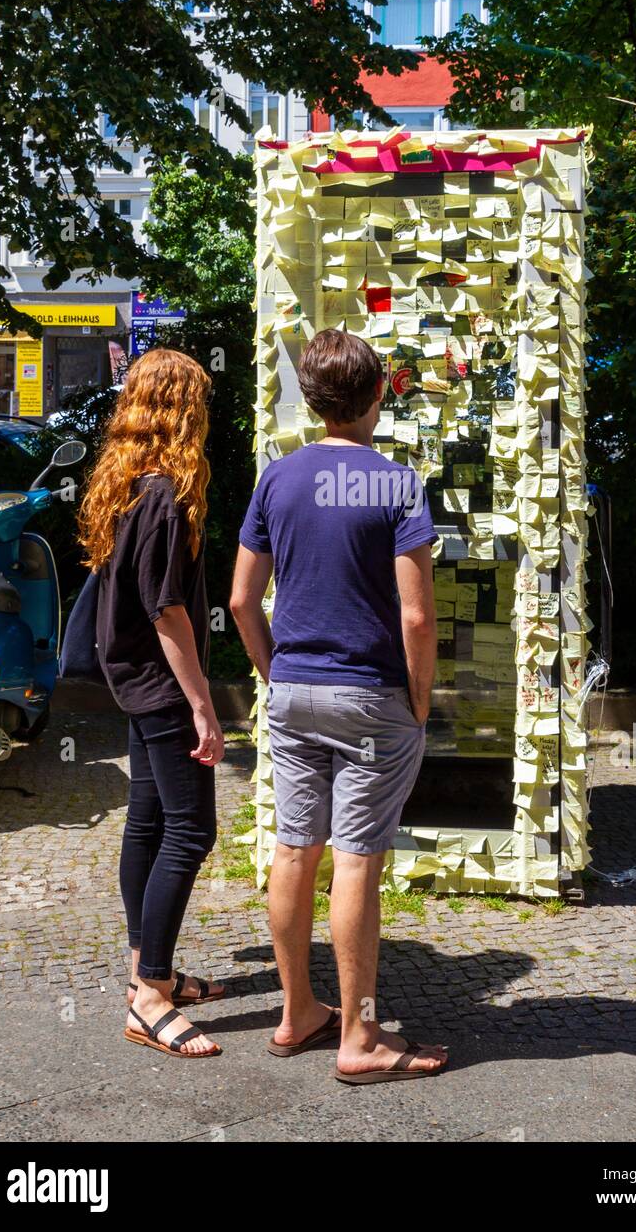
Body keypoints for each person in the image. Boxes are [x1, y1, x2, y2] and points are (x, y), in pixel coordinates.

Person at [231, 329, 447, 1083]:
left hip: (292, 690)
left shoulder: (275, 480)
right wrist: (419, 701)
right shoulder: (394, 483)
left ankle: (297, 1014)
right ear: (379, 393)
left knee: (295, 848)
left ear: (313, 400)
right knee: (357, 859)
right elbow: (417, 617)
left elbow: (240, 600)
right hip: (370, 694)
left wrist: (274, 674)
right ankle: (358, 1038)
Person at [79, 348, 225, 1059]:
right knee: (193, 831)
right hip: (162, 683)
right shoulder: (166, 495)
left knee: (148, 820)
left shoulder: (127, 481)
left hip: (130, 676)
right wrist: (201, 702)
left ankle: (147, 965)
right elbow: (168, 609)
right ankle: (151, 997)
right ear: (181, 411)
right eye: (198, 402)